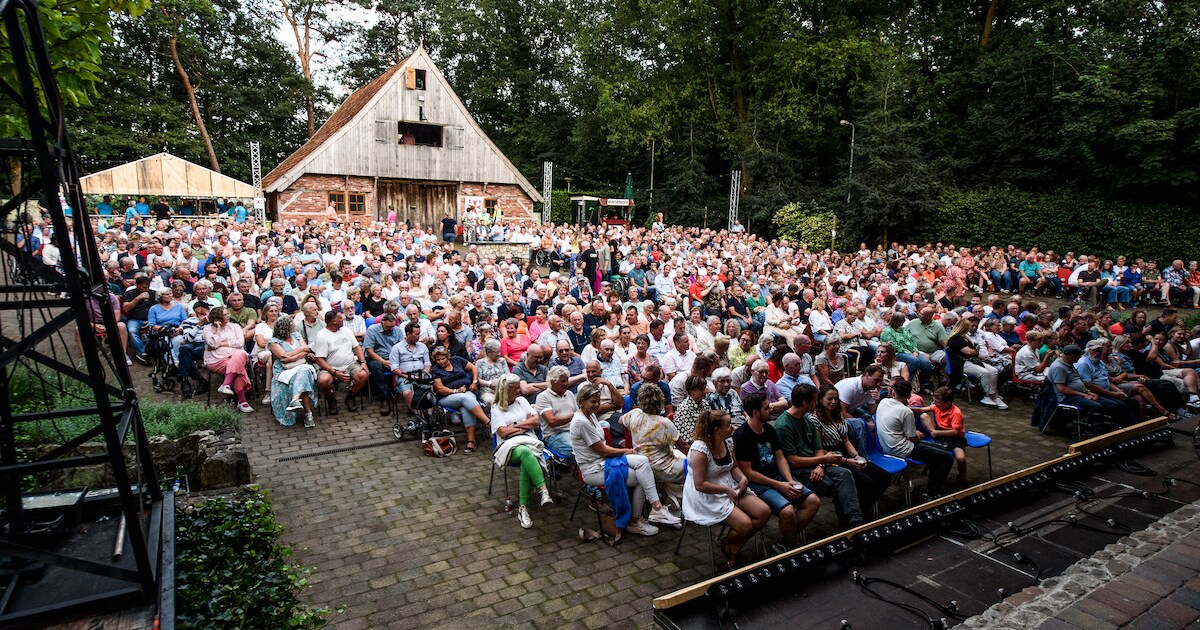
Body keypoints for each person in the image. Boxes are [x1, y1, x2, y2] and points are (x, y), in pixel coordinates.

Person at [571, 383, 681, 537]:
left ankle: (657, 508)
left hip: (605, 461)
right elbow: (603, 450)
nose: (596, 405)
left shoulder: (590, 415)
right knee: (644, 477)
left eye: (598, 401)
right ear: (582, 401)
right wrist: (626, 450)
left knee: (643, 461)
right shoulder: (581, 421)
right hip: (593, 468)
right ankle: (636, 521)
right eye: (593, 402)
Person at [733, 392, 820, 550]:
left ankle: (785, 542)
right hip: (758, 485)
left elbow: (780, 458)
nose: (771, 409)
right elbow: (748, 472)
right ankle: (793, 546)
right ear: (755, 412)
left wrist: (789, 480)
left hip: (778, 477)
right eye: (767, 408)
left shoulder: (769, 430)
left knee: (813, 501)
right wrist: (780, 485)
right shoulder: (741, 436)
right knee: (787, 512)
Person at [685, 409, 771, 569]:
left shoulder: (728, 441)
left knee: (764, 512)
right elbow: (699, 484)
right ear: (717, 429)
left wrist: (743, 478)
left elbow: (734, 466)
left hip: (729, 484)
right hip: (707, 493)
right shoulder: (700, 450)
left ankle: (731, 546)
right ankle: (731, 548)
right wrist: (725, 490)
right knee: (745, 525)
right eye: (729, 425)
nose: (732, 428)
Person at [776, 384, 872, 527]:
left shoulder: (806, 420)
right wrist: (822, 460)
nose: (817, 403)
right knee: (839, 486)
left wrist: (820, 465)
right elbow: (793, 461)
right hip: (799, 471)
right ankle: (851, 525)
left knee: (845, 474)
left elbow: (818, 448)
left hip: (815, 464)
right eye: (815, 400)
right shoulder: (783, 425)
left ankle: (855, 522)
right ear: (804, 403)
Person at [811, 385, 892, 517]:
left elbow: (846, 440)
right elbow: (819, 449)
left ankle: (861, 508)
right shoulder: (815, 420)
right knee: (866, 482)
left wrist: (857, 456)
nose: (833, 402)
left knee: (884, 477)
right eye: (829, 399)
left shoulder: (838, 415)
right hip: (831, 458)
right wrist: (848, 461)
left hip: (846, 453)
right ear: (820, 400)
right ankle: (853, 515)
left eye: (836, 399)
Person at [490, 375, 553, 529]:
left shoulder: (522, 401)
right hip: (508, 446)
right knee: (525, 452)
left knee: (527, 456)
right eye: (516, 388)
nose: (520, 390)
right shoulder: (496, 408)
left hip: (529, 442)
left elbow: (536, 421)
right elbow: (503, 433)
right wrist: (524, 425)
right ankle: (543, 489)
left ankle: (523, 508)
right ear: (506, 390)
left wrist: (515, 426)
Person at [875, 381, 954, 500]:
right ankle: (932, 493)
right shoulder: (906, 412)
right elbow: (913, 438)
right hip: (901, 448)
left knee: (939, 450)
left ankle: (931, 488)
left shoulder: (883, 402)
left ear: (893, 392)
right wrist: (917, 434)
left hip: (887, 444)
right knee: (947, 458)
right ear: (909, 396)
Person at [622, 382, 686, 507]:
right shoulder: (664, 423)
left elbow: (621, 420)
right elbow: (682, 445)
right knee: (692, 466)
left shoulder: (634, 414)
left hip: (642, 463)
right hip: (664, 468)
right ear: (660, 402)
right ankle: (682, 499)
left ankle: (670, 495)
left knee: (679, 456)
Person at [430, 347, 490, 453]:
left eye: (443, 359)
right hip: (446, 397)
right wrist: (456, 391)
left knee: (465, 406)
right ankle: (487, 422)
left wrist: (475, 382)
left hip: (467, 391)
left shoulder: (456, 360)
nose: (441, 362)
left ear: (447, 357)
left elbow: (473, 368)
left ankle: (471, 441)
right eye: (438, 360)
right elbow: (439, 388)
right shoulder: (435, 370)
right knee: (465, 398)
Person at [311, 310, 369, 414]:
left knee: (364, 375)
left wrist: (363, 362)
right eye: (340, 318)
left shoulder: (345, 330)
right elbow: (319, 359)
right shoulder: (322, 335)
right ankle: (330, 399)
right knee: (323, 381)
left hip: (350, 364)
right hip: (330, 367)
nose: (343, 319)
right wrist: (334, 372)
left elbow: (357, 347)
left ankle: (351, 396)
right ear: (334, 321)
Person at [266, 314, 317, 428]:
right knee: (303, 375)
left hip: (301, 366)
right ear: (287, 327)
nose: (294, 324)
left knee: (303, 371)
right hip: (284, 371)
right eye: (292, 323)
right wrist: (300, 350)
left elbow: (307, 351)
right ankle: (308, 415)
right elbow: (283, 357)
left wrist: (291, 357)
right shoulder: (273, 342)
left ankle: (295, 401)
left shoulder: (297, 335)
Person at [912, 387, 970, 485]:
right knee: (924, 416)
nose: (934, 403)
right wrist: (905, 408)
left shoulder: (956, 413)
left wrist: (936, 433)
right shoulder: (937, 407)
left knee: (961, 458)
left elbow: (955, 432)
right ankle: (938, 441)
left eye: (937, 402)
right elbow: (920, 410)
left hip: (954, 438)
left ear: (947, 403)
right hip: (939, 433)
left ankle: (962, 476)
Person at [946, 317, 1008, 409]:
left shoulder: (965, 338)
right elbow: (969, 352)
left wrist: (975, 351)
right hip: (961, 363)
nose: (972, 329)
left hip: (972, 361)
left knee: (994, 371)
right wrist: (976, 351)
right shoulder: (955, 339)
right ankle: (989, 395)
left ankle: (992, 394)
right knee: (985, 373)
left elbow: (974, 350)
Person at [203, 305, 254, 413]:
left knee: (241, 353)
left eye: (227, 314)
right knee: (239, 368)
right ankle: (242, 401)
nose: (228, 316)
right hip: (215, 359)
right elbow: (212, 343)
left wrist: (221, 345)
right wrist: (217, 329)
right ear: (217, 317)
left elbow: (240, 343)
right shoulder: (208, 329)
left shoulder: (235, 327)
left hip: (234, 356)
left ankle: (226, 384)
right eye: (225, 314)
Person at [363, 313, 405, 415]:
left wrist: (394, 360)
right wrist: (383, 362)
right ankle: (384, 398)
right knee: (376, 366)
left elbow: (402, 348)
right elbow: (369, 351)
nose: (390, 329)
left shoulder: (398, 331)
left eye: (392, 326)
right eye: (388, 327)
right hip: (376, 358)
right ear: (382, 323)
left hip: (393, 358)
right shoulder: (372, 330)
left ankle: (403, 391)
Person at [536, 365, 578, 458]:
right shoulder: (543, 397)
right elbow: (552, 421)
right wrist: (574, 415)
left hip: (573, 431)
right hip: (554, 435)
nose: (566, 383)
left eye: (567, 380)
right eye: (562, 381)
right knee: (579, 448)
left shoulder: (570, 394)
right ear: (552, 382)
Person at [390, 321, 432, 411]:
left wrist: (424, 373)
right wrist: (410, 376)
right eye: (416, 334)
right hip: (405, 376)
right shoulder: (397, 348)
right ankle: (419, 415)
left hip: (421, 374)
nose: (419, 336)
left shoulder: (422, 346)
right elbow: (394, 368)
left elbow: (427, 363)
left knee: (431, 389)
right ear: (408, 334)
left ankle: (429, 416)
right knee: (407, 392)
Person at [673, 375, 710, 445]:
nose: (705, 391)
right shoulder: (685, 409)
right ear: (691, 391)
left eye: (705, 388)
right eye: (701, 389)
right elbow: (689, 437)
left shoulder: (705, 404)